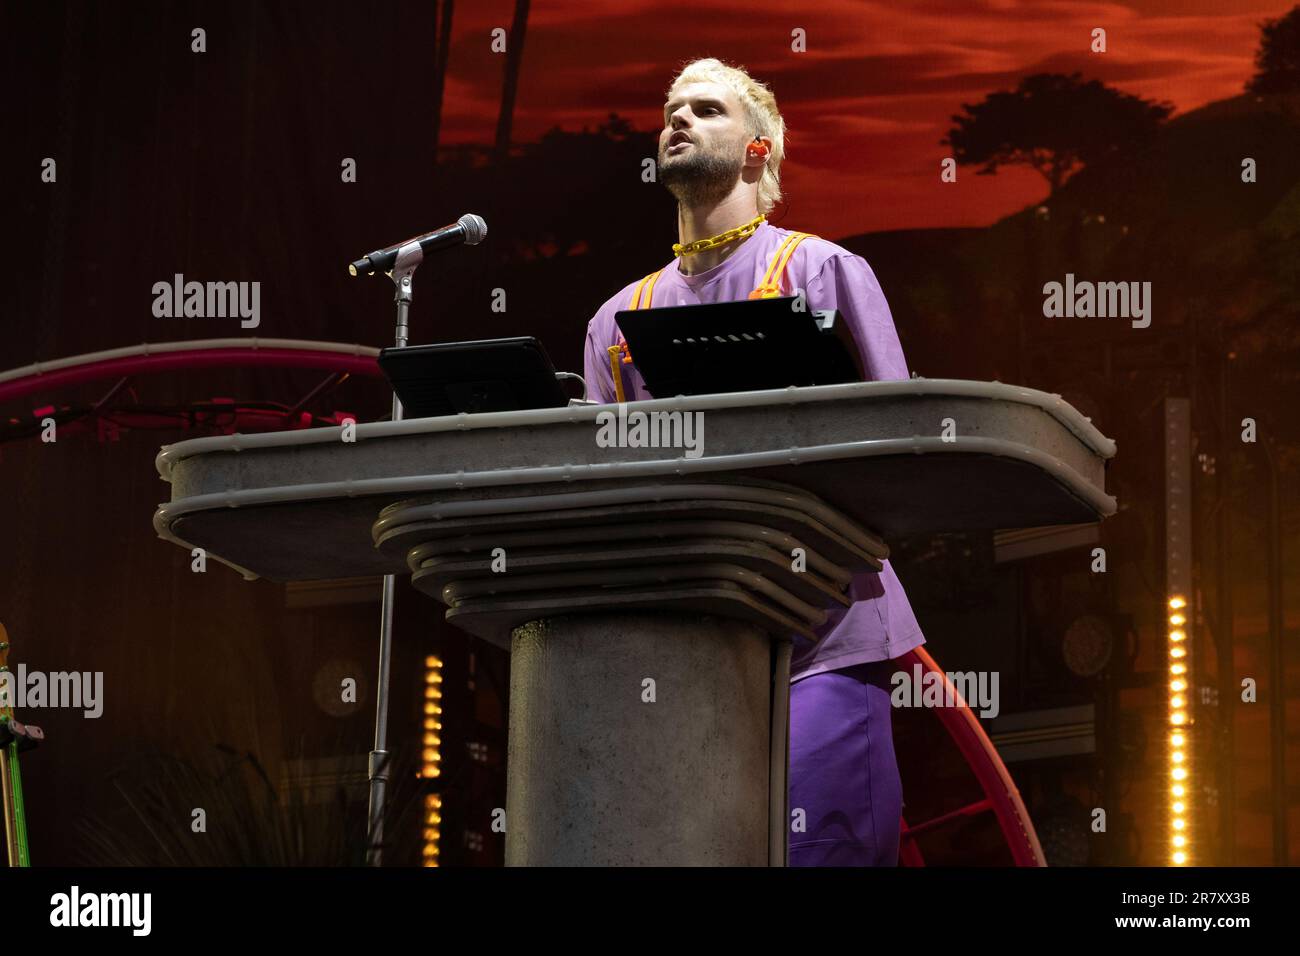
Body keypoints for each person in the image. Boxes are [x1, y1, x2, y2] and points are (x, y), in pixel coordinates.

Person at [582, 57, 926, 866]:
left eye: (705, 109)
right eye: (671, 110)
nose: (678, 120)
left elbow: (904, 441)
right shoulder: (617, 317)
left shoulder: (822, 271)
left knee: (823, 854)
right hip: (685, 637)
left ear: (760, 149)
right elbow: (598, 481)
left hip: (827, 627)